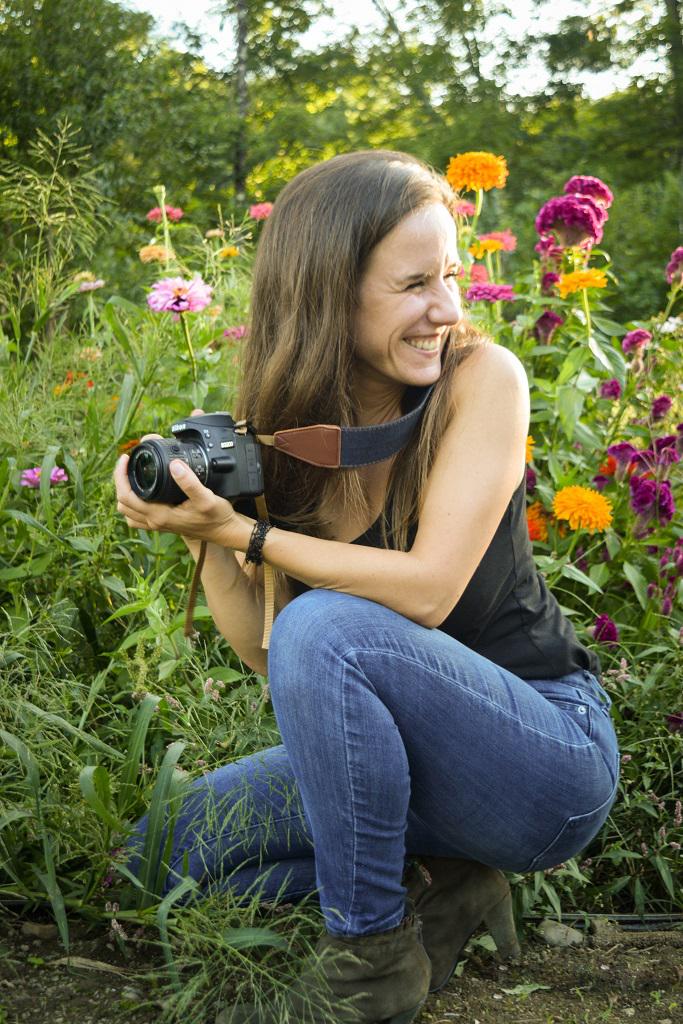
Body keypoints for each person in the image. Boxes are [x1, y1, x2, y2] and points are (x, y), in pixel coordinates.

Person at [114, 150, 620, 1024]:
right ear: (328, 292)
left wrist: (249, 535)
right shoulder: (284, 431)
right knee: (151, 856)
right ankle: (440, 884)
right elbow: (270, 654)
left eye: (450, 277)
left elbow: (423, 593)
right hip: (384, 772)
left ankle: (370, 956)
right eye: (416, 284)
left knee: (328, 626)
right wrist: (199, 535)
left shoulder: (481, 379)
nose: (447, 309)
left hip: (540, 757)